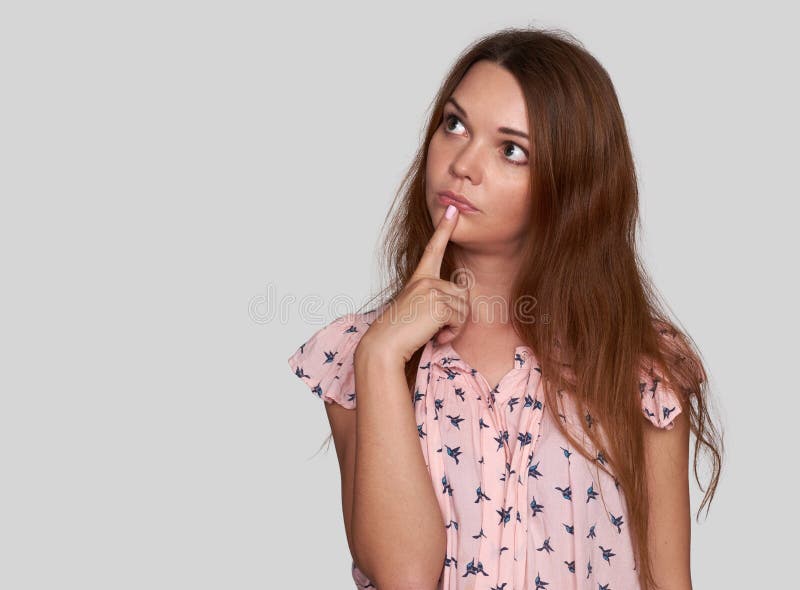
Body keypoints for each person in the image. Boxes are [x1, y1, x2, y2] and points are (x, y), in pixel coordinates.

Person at [288, 27, 723, 590]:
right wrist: (381, 356)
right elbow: (403, 576)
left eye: (511, 149)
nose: (463, 163)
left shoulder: (640, 366)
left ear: (570, 186)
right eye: (455, 124)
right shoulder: (358, 356)